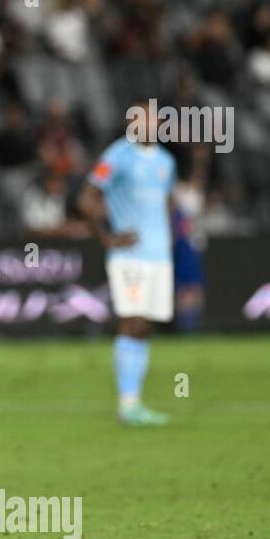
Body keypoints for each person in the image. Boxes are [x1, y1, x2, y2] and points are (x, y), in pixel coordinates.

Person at [78, 103, 178, 426]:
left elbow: (167, 202)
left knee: (146, 325)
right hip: (129, 257)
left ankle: (135, 401)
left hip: (159, 256)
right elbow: (86, 199)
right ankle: (127, 403)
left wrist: (169, 237)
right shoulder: (117, 155)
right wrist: (106, 238)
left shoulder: (166, 161)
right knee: (132, 321)